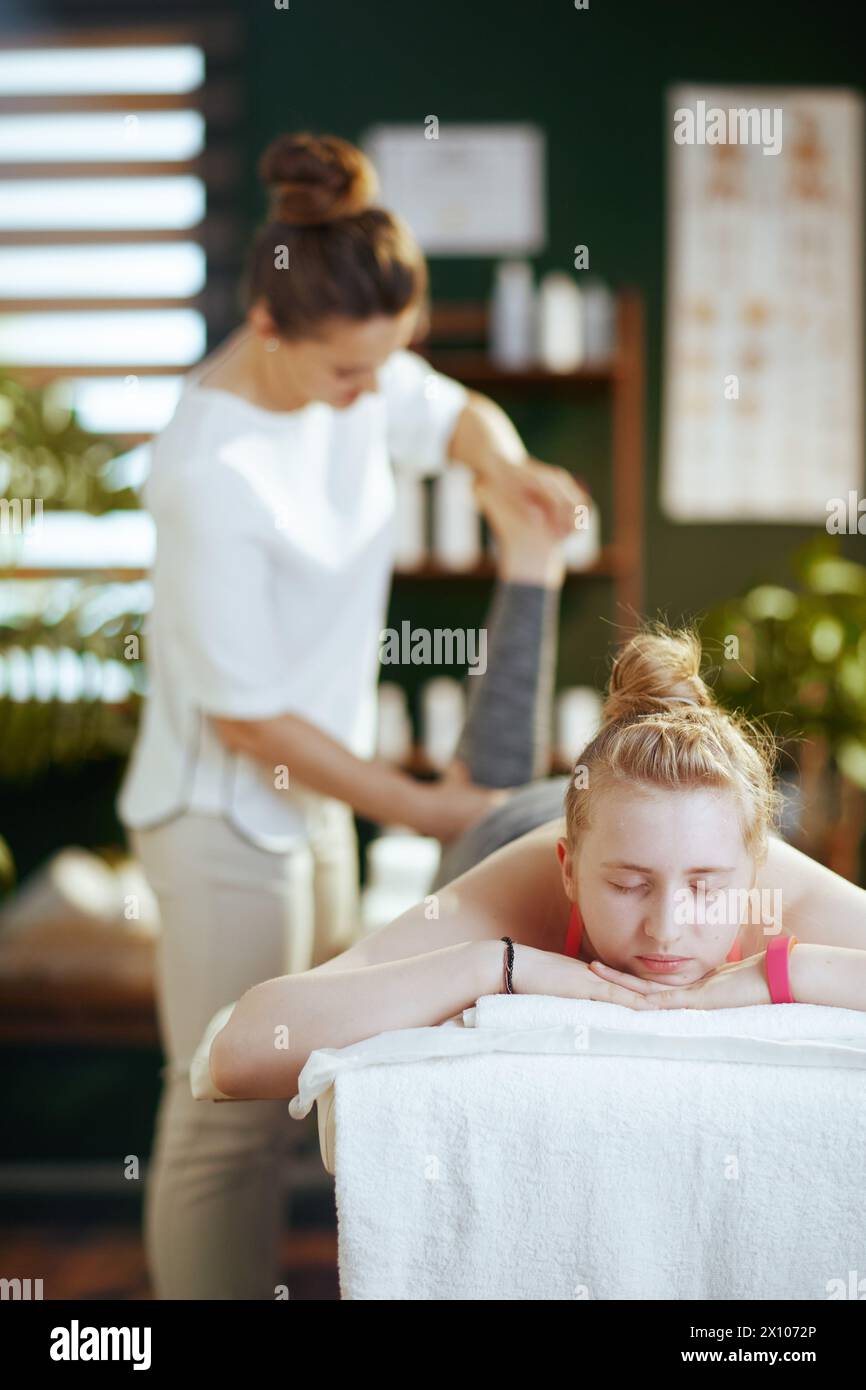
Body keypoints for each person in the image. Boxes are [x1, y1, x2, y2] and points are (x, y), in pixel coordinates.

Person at [117, 130, 585, 1300]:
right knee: (224, 1103)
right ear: (268, 328)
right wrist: (429, 804)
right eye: (350, 374)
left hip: (315, 801)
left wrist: (505, 474)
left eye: (391, 361)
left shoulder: (348, 364)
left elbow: (456, 414)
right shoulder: (207, 468)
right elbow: (249, 718)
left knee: (310, 1075)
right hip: (221, 811)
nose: (373, 392)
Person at [203, 485, 866, 1115]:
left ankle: (530, 560)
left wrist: (783, 973)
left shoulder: (776, 890)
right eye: (630, 884)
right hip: (498, 829)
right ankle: (530, 564)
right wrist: (499, 963)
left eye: (705, 886)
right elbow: (241, 1051)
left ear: (754, 873)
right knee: (487, 788)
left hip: (592, 808)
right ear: (569, 869)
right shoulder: (520, 889)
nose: (666, 925)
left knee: (491, 772)